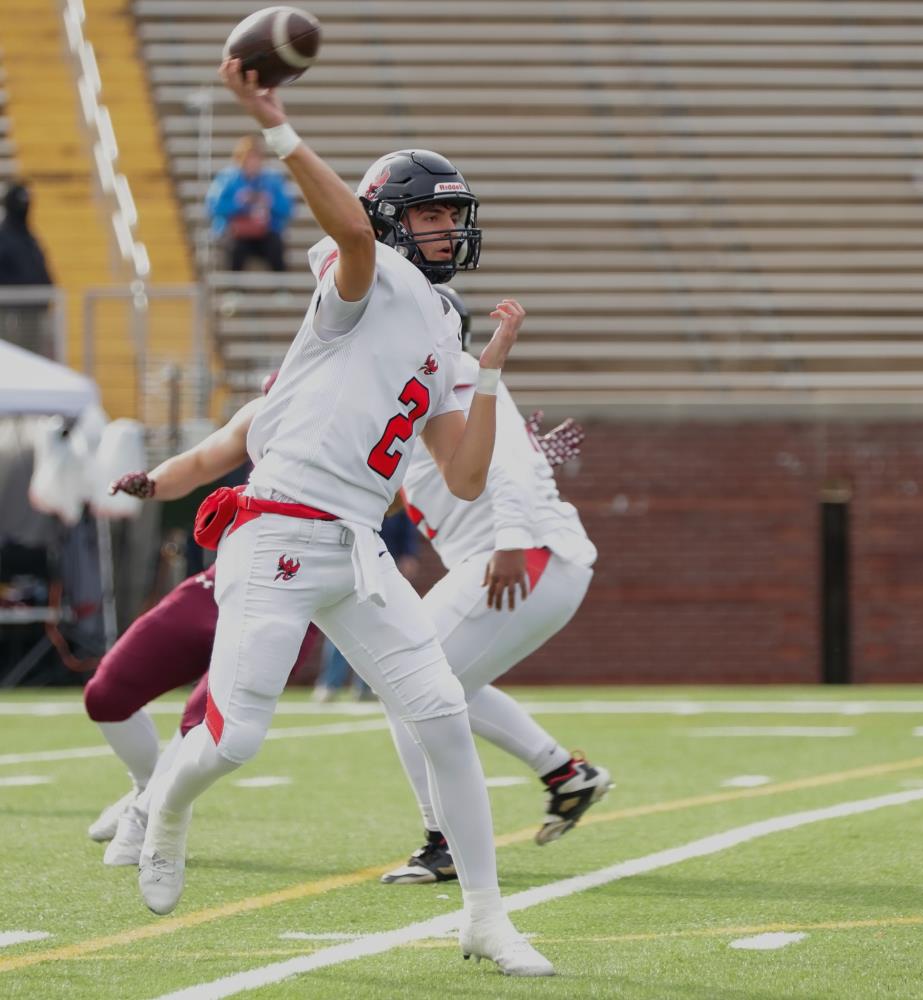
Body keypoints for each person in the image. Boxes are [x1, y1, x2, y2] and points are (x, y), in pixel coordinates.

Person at [130, 57, 551, 976]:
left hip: (355, 545)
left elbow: (465, 478)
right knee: (234, 741)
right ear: (392, 217)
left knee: (442, 713)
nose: (448, 229)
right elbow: (351, 233)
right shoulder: (364, 275)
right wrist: (272, 121)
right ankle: (166, 803)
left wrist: (490, 374)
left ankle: (485, 917)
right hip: (279, 525)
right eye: (430, 214)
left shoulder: (441, 322)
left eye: (453, 214)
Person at [381, 286, 610, 884]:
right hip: (519, 554)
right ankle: (564, 774)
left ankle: (442, 840)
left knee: (407, 679)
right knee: (440, 683)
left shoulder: (452, 371)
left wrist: (510, 540)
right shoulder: (418, 382)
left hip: (523, 554)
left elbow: (506, 458)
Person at [85, 389, 316, 852]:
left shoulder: (365, 413)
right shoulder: (272, 405)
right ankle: (146, 788)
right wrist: (152, 481)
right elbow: (200, 461)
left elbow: (393, 499)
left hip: (288, 596)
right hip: (223, 580)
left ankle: (147, 815)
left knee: (202, 718)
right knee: (107, 693)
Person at [313, 510, 422, 701]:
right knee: (344, 625)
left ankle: (366, 687)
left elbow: (404, 522)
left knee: (378, 627)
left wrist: (408, 553)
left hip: (383, 562)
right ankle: (330, 684)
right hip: (352, 559)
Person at [206, 135, 293, 271]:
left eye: (255, 158)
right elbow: (213, 207)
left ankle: (281, 284)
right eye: (248, 158)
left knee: (275, 247)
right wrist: (238, 203)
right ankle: (233, 284)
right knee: (235, 249)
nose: (252, 162)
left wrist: (270, 202)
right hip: (237, 234)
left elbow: (287, 209)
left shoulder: (272, 180)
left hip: (266, 232)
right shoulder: (227, 179)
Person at [0, 181, 55, 357]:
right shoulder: (4, 238)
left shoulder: (30, 239)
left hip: (33, 318)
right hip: (10, 319)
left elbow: (42, 274)